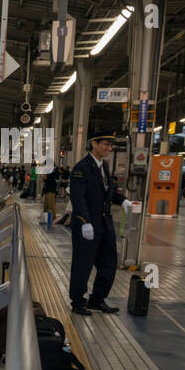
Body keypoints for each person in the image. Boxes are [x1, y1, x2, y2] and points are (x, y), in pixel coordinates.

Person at [68, 130, 137, 316]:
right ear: (94, 144)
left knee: (109, 263)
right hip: (88, 226)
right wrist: (84, 222)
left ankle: (97, 299)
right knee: (83, 264)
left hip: (104, 225)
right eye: (106, 144)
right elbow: (78, 198)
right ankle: (78, 301)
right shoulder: (81, 168)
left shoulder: (104, 166)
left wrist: (122, 200)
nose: (109, 148)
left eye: (111, 145)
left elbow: (109, 190)